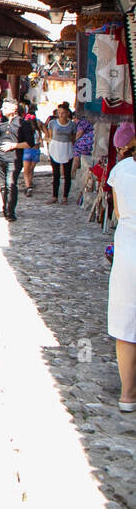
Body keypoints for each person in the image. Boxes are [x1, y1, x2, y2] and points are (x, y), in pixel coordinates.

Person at [109, 138, 136, 411]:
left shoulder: (123, 169)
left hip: (129, 252)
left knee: (127, 325)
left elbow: (117, 212)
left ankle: (127, 395)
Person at [0, 99, 34, 221]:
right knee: (2, 186)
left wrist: (14, 145)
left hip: (14, 159)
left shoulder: (22, 123)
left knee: (10, 184)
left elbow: (30, 143)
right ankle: (5, 207)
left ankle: (11, 211)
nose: (2, 109)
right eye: (2, 107)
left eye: (5, 107)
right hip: (0, 158)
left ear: (14, 108)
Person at [46, 103, 78, 204]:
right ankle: (54, 196)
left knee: (67, 173)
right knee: (55, 173)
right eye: (59, 113)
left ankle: (65, 197)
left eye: (63, 113)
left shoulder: (72, 125)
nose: (61, 115)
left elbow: (73, 137)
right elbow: (50, 135)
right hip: (56, 147)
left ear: (67, 113)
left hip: (67, 147)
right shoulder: (52, 123)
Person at [20, 101, 41, 196]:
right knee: (31, 170)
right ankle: (30, 183)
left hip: (27, 151)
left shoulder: (26, 131)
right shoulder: (37, 131)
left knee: (26, 171)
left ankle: (28, 186)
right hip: (36, 151)